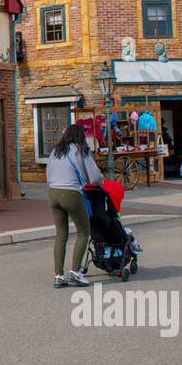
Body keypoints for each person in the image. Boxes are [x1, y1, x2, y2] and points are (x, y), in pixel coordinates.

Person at [47, 123, 103, 289]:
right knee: (83, 231)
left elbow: (48, 174)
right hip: (71, 193)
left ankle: (58, 276)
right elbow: (94, 177)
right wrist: (101, 181)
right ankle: (75, 272)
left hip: (53, 193)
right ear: (80, 136)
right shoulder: (81, 150)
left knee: (61, 235)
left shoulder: (55, 151)